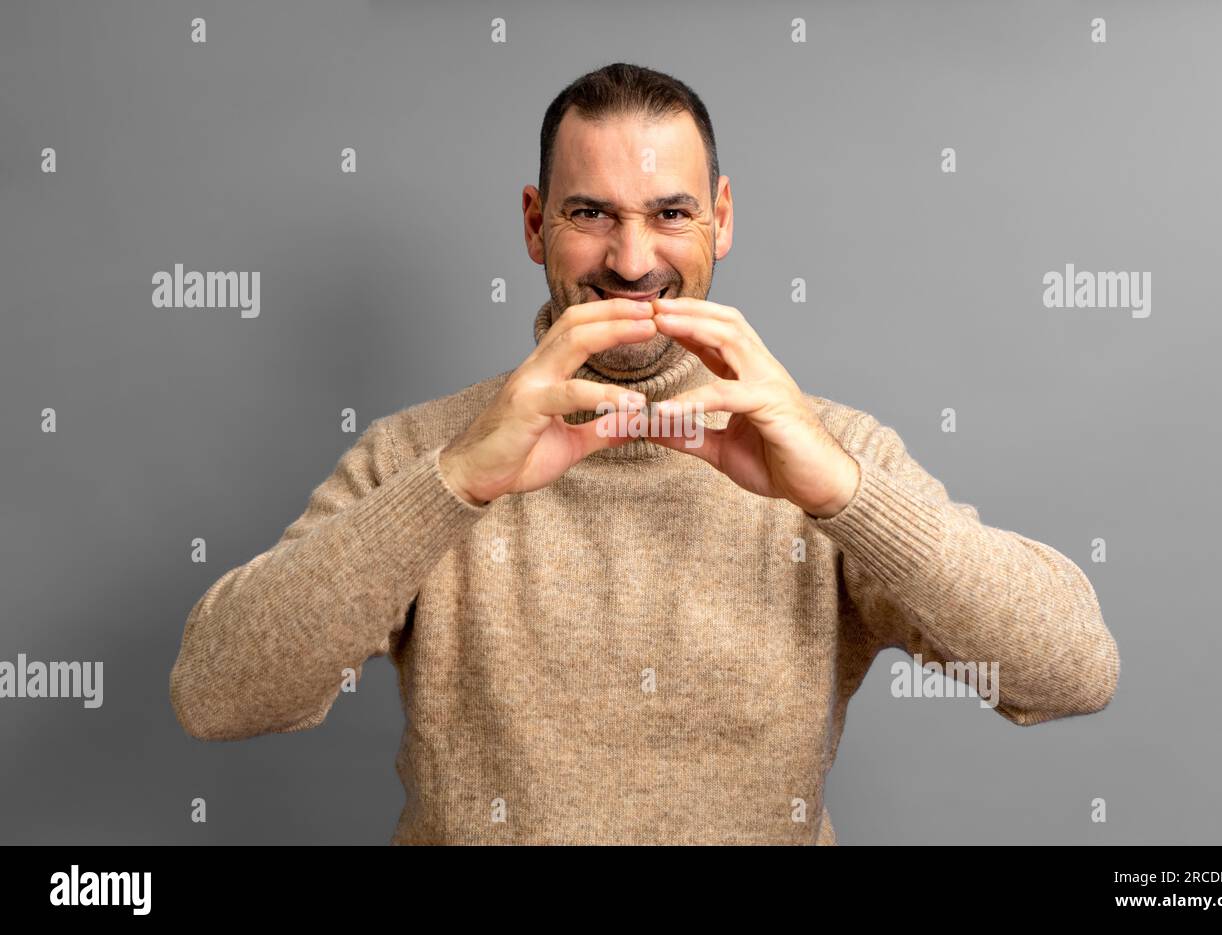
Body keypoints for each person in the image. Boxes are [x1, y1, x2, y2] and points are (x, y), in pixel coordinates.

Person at [168, 62, 1120, 845]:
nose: (631, 260)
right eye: (591, 214)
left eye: (670, 213)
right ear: (535, 221)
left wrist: (842, 495)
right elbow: (216, 694)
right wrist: (455, 484)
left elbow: (1072, 668)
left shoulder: (831, 454)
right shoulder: (419, 454)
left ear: (723, 217)